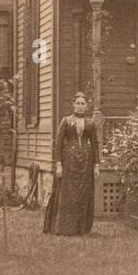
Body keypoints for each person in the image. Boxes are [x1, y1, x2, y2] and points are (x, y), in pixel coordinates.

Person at [44, 92, 99, 236]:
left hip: (86, 161)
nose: (80, 106)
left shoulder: (91, 123)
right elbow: (58, 143)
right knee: (68, 193)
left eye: (83, 104)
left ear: (86, 106)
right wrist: (58, 164)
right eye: (78, 103)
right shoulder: (66, 121)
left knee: (83, 193)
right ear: (73, 104)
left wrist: (97, 165)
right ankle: (65, 228)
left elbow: (95, 144)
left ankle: (82, 228)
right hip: (69, 160)